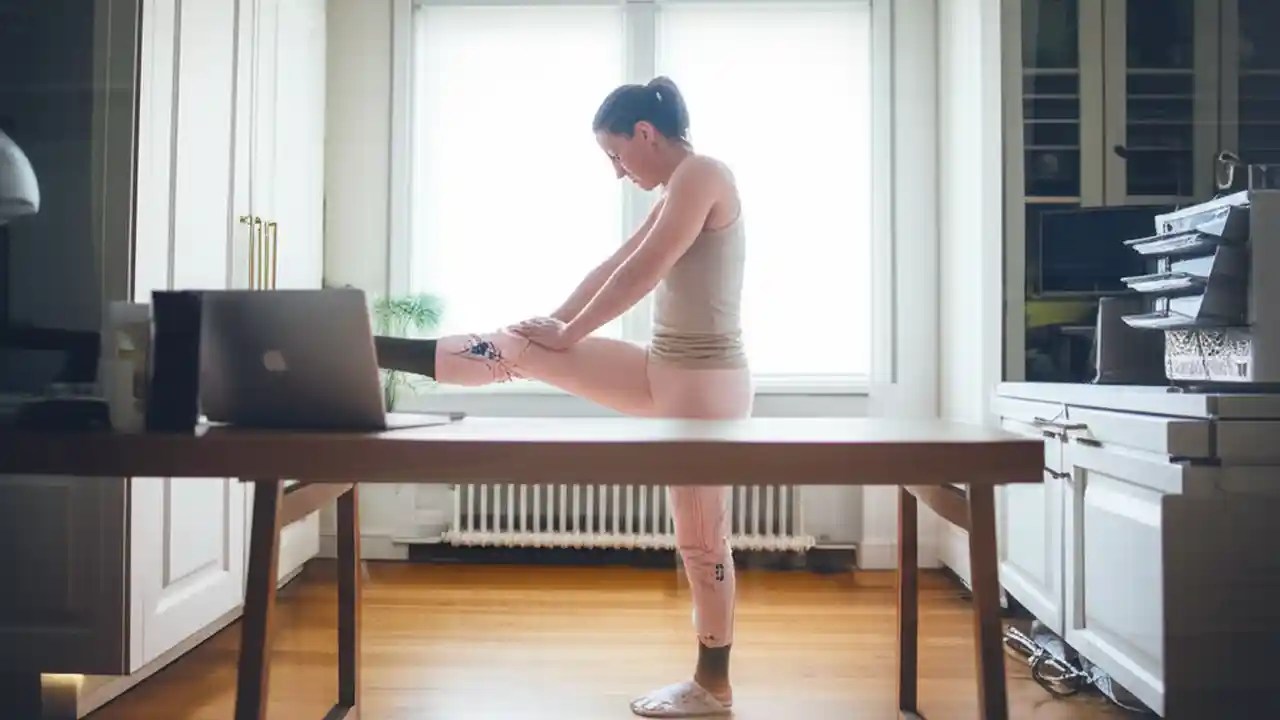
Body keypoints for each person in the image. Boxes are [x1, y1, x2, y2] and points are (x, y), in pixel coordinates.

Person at [374, 76, 750, 718]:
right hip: (666, 371)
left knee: (700, 538)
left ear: (645, 134)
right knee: (521, 346)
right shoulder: (674, 187)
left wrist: (571, 331)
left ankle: (712, 685)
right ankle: (376, 349)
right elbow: (612, 264)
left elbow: (645, 269)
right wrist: (552, 328)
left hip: (705, 387)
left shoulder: (704, 174)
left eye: (616, 154)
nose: (617, 170)